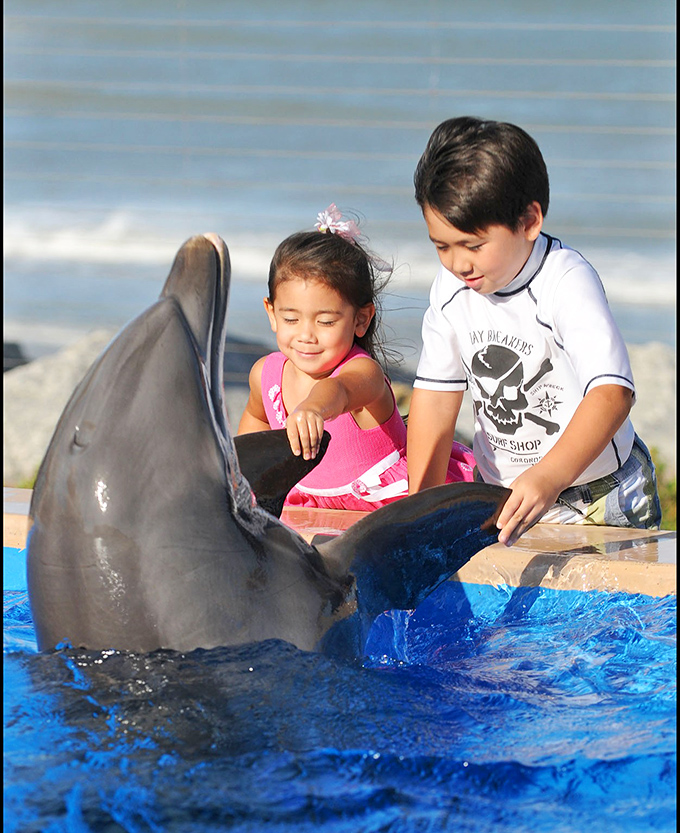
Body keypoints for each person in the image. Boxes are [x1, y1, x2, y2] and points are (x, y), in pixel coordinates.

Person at [407, 116, 662, 545]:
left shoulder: (564, 280)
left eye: (473, 245)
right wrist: (419, 507)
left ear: (529, 221)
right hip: (501, 494)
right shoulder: (451, 291)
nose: (457, 263)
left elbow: (612, 392)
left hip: (598, 496)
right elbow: (435, 399)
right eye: (441, 246)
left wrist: (549, 476)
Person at [238, 204, 475, 511]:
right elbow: (257, 419)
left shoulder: (364, 373)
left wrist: (313, 409)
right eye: (291, 319)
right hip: (308, 504)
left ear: (361, 319)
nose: (306, 335)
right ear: (271, 313)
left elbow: (338, 390)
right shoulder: (265, 374)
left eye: (325, 322)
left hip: (386, 503)